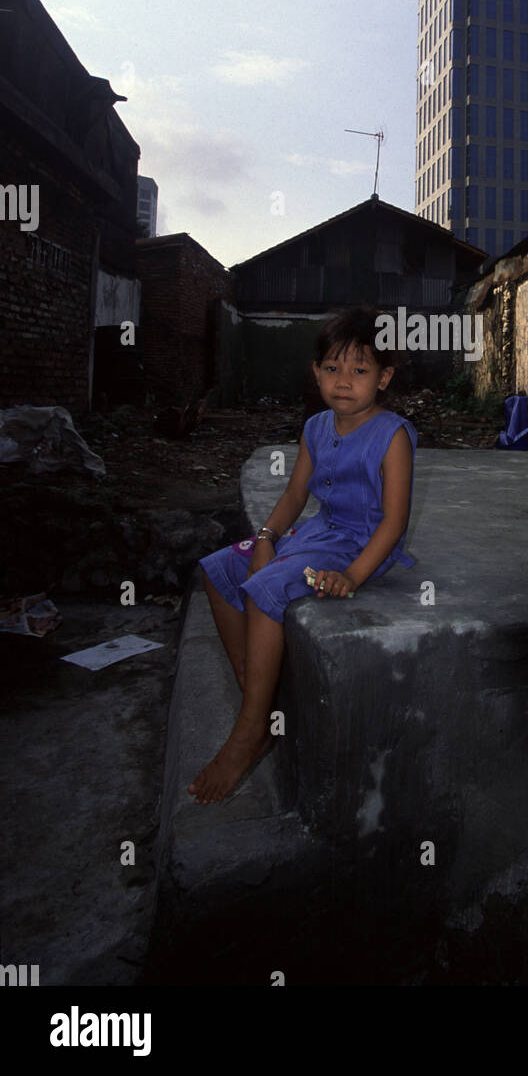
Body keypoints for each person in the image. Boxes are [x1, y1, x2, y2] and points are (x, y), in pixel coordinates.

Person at [188, 305, 418, 804]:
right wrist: (267, 536)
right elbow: (295, 496)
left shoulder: (392, 435)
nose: (343, 381)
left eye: (360, 370)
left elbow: (394, 523)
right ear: (315, 373)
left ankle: (248, 733)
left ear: (384, 378)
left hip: (358, 545)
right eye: (332, 368)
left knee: (266, 587)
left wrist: (353, 576)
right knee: (220, 567)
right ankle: (258, 697)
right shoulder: (316, 427)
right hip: (316, 532)